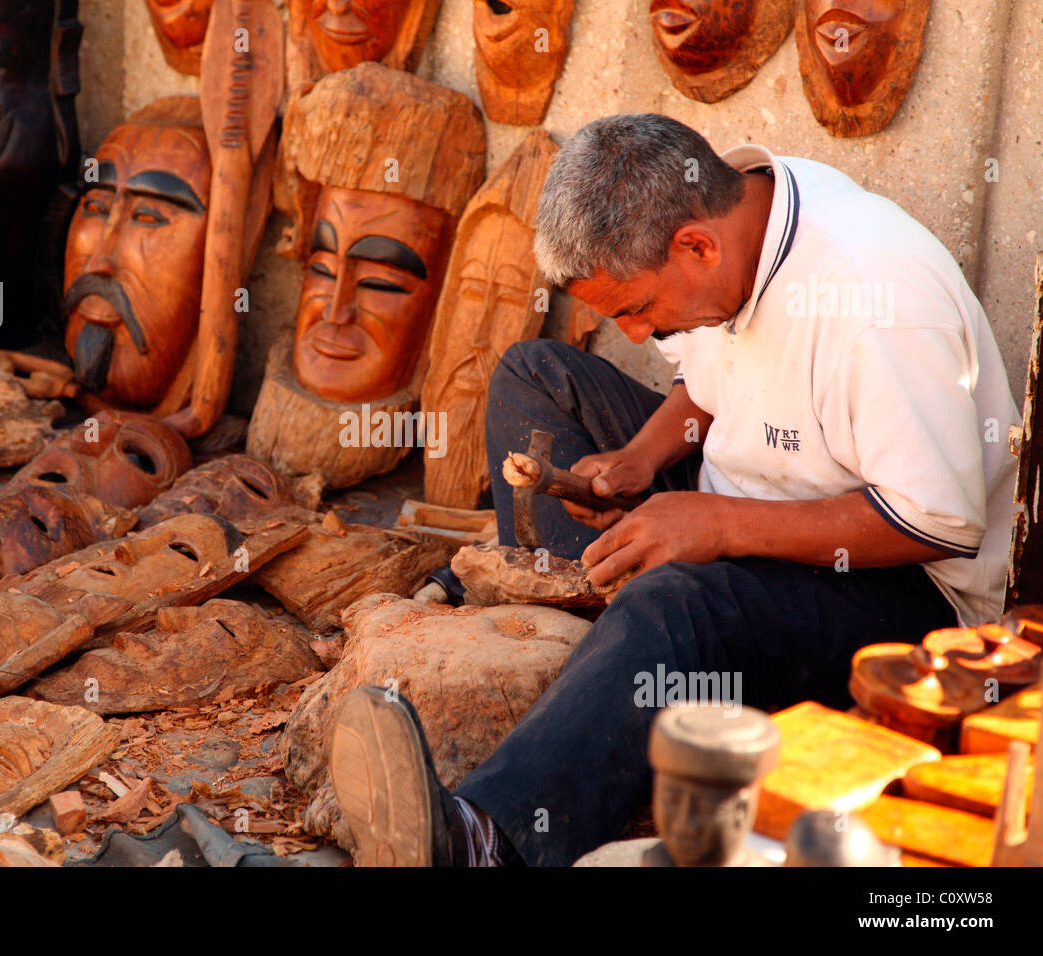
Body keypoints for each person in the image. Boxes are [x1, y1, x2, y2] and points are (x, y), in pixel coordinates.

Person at [328, 113, 1021, 867]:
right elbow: (709, 385)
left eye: (634, 309)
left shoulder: (875, 297)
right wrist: (634, 461)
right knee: (534, 374)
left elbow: (936, 524)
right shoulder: (736, 216)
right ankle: (607, 621)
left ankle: (489, 839)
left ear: (696, 246)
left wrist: (717, 525)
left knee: (678, 602)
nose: (632, 335)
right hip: (742, 498)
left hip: (896, 589)